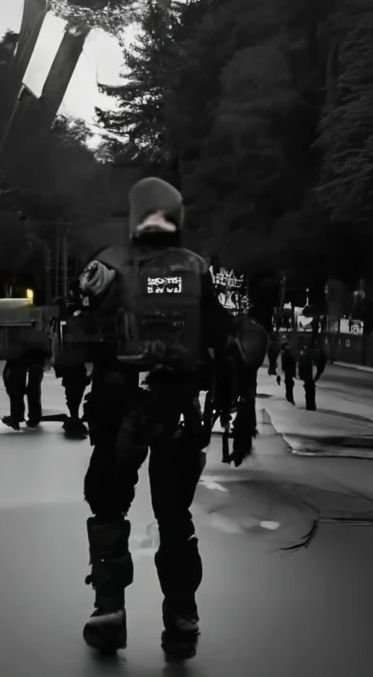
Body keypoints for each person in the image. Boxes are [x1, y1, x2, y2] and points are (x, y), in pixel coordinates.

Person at [69, 176, 263, 661]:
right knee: (173, 517)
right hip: (175, 409)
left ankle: (109, 608)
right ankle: (180, 616)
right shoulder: (196, 269)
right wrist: (239, 406)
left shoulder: (106, 263)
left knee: (109, 506)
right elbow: (227, 342)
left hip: (118, 408)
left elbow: (78, 331)